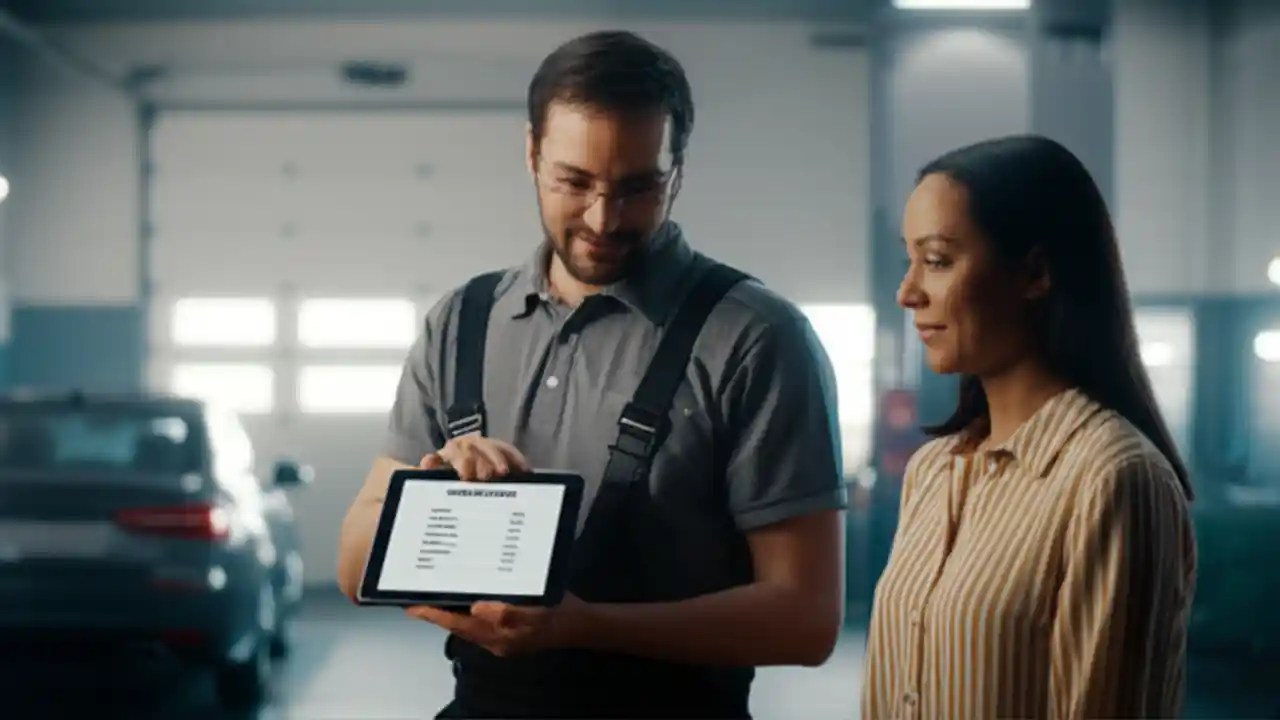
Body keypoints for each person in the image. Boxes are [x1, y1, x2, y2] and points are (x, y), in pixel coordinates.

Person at [337, 30, 847, 719]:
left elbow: (806, 619)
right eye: (574, 182)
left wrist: (586, 625)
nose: (603, 219)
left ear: (679, 171)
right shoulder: (462, 322)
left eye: (639, 187)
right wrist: (432, 497)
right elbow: (353, 567)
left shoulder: (759, 340)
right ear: (530, 154)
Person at [862, 135, 1197, 719]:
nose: (908, 292)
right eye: (908, 260)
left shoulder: (1112, 479)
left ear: (1035, 271)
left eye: (938, 260)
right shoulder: (934, 470)